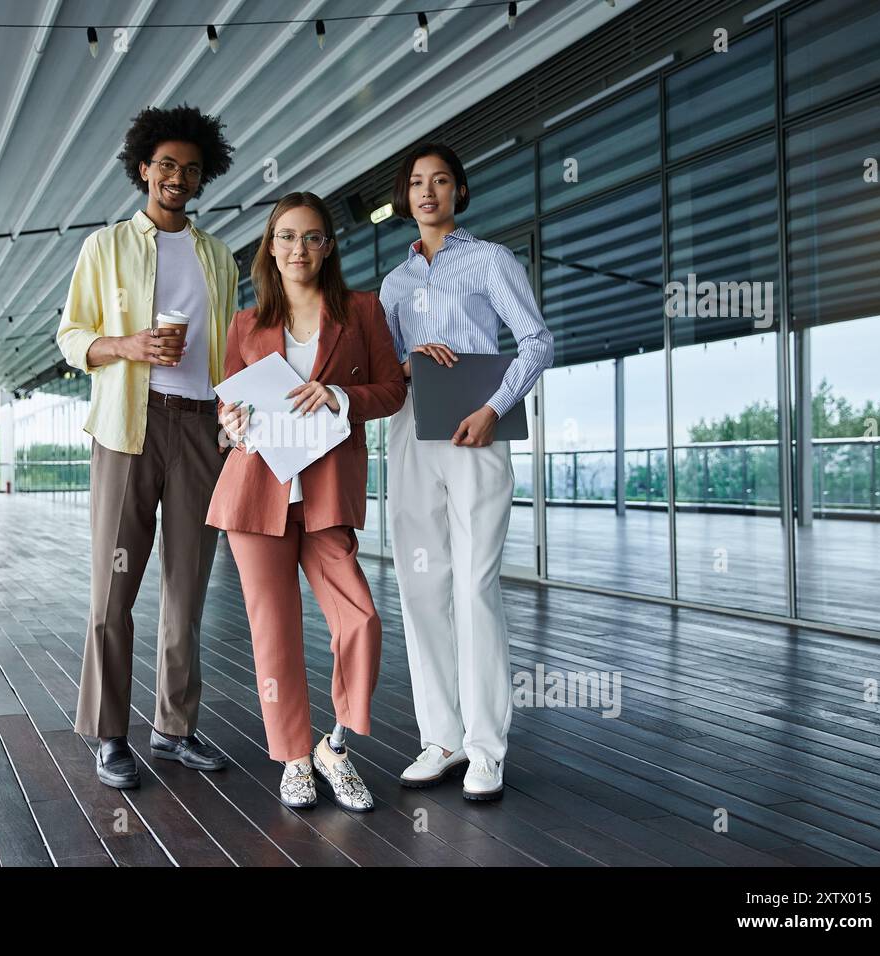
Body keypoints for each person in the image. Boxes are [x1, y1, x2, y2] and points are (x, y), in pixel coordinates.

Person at [56, 105, 238, 789]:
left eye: (191, 170)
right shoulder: (104, 247)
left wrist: (229, 417)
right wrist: (127, 346)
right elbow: (71, 337)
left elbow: (225, 350)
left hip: (199, 429)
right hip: (127, 428)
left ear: (201, 179)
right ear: (143, 168)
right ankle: (109, 734)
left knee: (188, 588)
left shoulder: (217, 257)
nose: (178, 177)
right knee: (113, 589)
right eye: (167, 165)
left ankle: (174, 727)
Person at [206, 193, 406, 811]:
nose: (299, 249)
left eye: (313, 237)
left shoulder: (362, 311)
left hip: (326, 492)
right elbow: (225, 415)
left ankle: (335, 746)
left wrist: (341, 397)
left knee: (360, 618)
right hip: (257, 493)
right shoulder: (246, 324)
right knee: (274, 632)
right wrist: (231, 425)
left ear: (329, 246)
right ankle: (294, 756)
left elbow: (391, 390)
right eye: (287, 237)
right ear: (270, 246)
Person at [379, 143, 554, 801]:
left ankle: (486, 749)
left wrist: (494, 407)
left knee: (475, 585)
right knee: (422, 587)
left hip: (477, 427)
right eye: (416, 182)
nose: (428, 192)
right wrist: (402, 363)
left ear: (458, 190)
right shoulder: (394, 286)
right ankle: (442, 738)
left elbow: (537, 341)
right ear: (406, 195)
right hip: (410, 429)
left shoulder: (490, 260)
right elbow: (383, 369)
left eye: (441, 180)